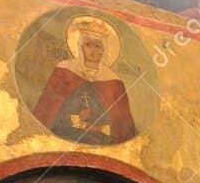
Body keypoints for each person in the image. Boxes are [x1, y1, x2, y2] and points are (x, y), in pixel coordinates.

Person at [32, 17, 136, 145]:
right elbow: (47, 111)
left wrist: (100, 126)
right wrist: (77, 118)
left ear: (104, 50)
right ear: (80, 47)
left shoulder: (114, 82)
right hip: (63, 138)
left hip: (101, 142)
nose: (93, 50)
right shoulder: (64, 71)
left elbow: (122, 127)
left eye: (98, 46)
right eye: (88, 44)